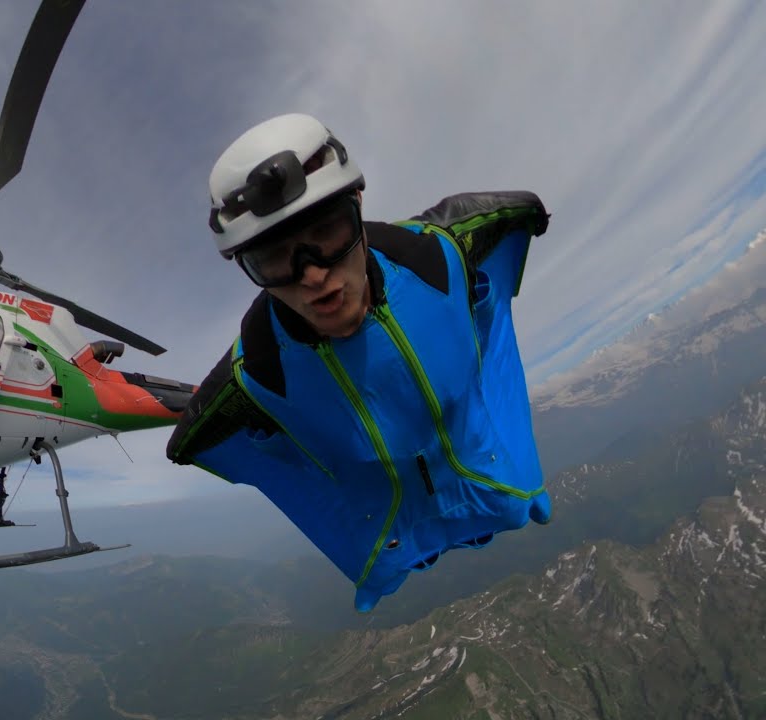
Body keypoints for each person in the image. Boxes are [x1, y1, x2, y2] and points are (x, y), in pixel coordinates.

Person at [166, 113, 553, 612]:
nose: (312, 275)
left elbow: (192, 439)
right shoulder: (261, 370)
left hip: (431, 513)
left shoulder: (435, 260)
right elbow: (193, 439)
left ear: (359, 207)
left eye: (327, 232)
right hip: (456, 500)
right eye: (275, 260)